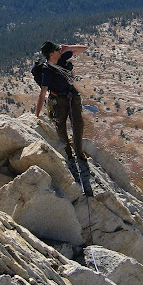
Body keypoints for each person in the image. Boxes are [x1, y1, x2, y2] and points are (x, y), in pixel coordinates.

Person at [35, 41, 91, 191]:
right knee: (60, 127)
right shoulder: (47, 70)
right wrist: (36, 114)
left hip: (72, 96)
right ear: (51, 54)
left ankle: (79, 151)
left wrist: (69, 47)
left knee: (78, 124)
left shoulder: (61, 57)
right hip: (59, 100)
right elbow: (42, 94)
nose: (59, 50)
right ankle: (68, 152)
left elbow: (84, 48)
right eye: (56, 49)